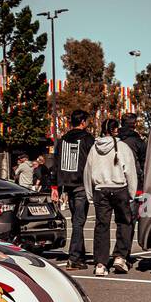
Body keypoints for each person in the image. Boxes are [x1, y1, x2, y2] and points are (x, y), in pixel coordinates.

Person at [84, 117, 138, 275]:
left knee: (102, 226)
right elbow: (130, 171)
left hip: (100, 189)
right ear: (116, 130)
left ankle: (100, 264)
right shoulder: (122, 147)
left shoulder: (94, 148)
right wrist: (132, 193)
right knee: (124, 222)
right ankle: (120, 257)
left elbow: (87, 172)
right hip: (119, 188)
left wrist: (90, 194)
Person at [55, 110, 95, 270]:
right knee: (78, 223)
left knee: (77, 221)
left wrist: (55, 187)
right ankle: (74, 258)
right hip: (81, 184)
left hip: (68, 185)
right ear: (83, 121)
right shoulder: (87, 139)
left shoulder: (62, 140)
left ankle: (80, 255)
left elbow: (56, 163)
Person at [117, 113, 148, 191]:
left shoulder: (114, 138)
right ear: (134, 125)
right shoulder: (137, 141)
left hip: (115, 178)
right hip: (134, 178)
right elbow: (144, 161)